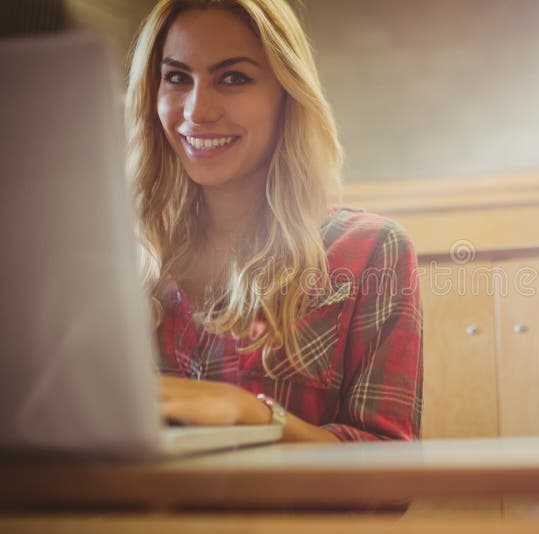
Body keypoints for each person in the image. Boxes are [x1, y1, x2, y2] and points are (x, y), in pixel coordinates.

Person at [125, 0, 422, 442]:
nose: (196, 111)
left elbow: (390, 468)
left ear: (288, 95)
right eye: (177, 78)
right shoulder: (119, 256)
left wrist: (252, 415)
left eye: (233, 78)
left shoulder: (371, 250)